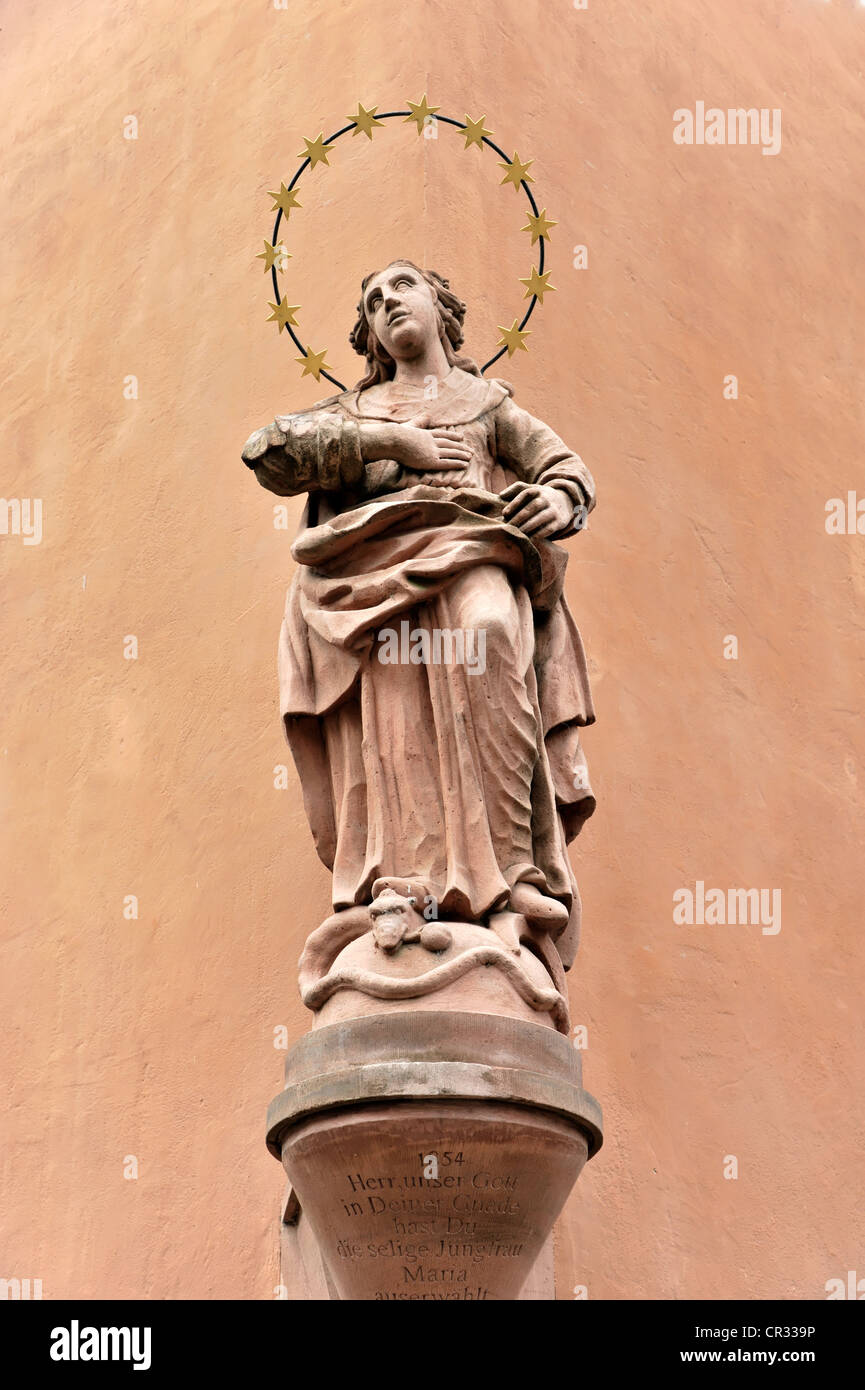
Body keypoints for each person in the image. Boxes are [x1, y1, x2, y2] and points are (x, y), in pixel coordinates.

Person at [242, 260, 597, 968]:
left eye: (401, 287)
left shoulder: (485, 403)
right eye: (372, 301)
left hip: (472, 546)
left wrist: (554, 502)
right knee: (399, 722)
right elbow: (268, 452)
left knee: (492, 633)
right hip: (371, 580)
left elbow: (565, 471)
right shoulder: (357, 410)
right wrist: (388, 443)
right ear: (369, 335)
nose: (386, 302)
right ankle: (405, 886)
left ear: (441, 307)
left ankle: (512, 875)